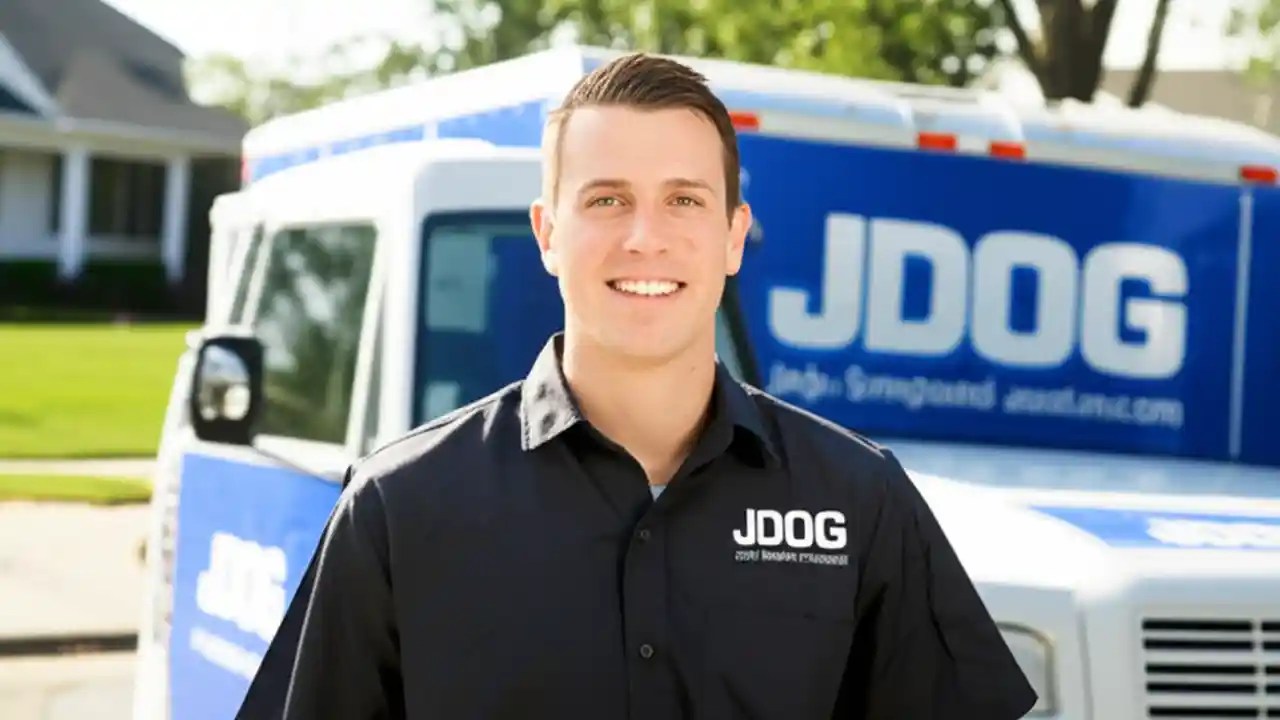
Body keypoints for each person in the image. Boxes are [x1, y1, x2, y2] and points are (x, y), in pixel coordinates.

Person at [235, 52, 1038, 720]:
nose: (645, 237)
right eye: (607, 199)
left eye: (683, 201)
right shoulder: (398, 509)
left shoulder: (859, 503)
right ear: (548, 234)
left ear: (732, 237)